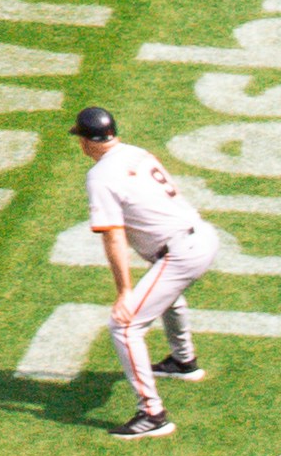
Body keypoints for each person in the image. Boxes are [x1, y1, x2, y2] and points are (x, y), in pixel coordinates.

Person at [71, 102, 220, 432]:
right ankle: (184, 362)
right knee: (166, 290)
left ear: (86, 141)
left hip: (182, 251)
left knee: (124, 326)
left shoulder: (100, 176)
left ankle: (152, 414)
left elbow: (113, 237)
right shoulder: (136, 152)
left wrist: (124, 291)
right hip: (203, 236)